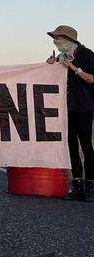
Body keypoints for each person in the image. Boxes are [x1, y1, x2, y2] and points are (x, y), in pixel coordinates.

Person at [46, 25, 94, 202]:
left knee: (86, 145)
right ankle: (77, 184)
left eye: (58, 38)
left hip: (84, 106)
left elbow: (91, 79)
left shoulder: (87, 54)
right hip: (66, 107)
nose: (56, 42)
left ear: (69, 40)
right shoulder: (60, 58)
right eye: (55, 39)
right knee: (71, 145)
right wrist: (49, 67)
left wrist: (74, 68)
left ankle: (90, 185)